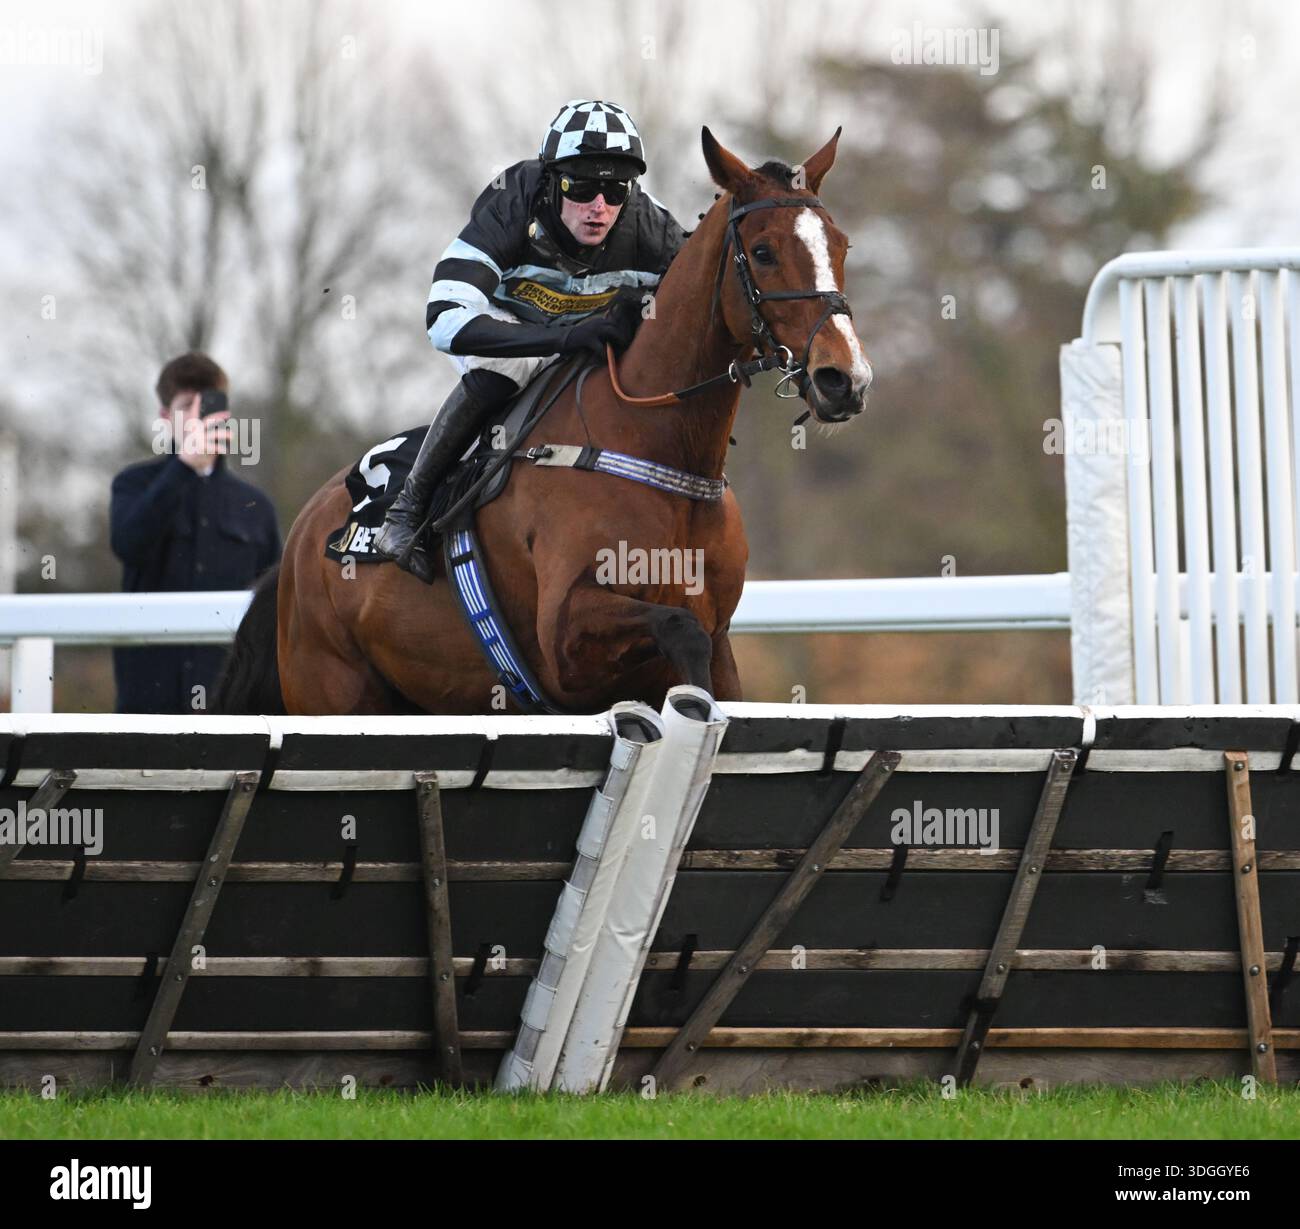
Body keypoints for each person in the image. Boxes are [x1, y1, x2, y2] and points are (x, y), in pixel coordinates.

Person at [374, 99, 689, 583]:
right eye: (581, 186)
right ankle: (406, 509)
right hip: (511, 324)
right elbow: (443, 321)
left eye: (614, 188)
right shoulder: (510, 202)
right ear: (551, 180)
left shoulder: (651, 225)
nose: (599, 206)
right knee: (509, 370)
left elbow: (701, 295)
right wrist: (561, 336)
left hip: (589, 330)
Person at [109, 352, 280, 713]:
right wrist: (183, 468)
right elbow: (129, 545)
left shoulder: (255, 506)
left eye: (209, 404)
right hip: (148, 701)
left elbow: (273, 603)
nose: (198, 415)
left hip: (230, 702)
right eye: (187, 405)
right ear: (165, 418)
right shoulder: (134, 484)